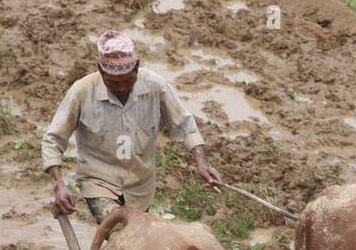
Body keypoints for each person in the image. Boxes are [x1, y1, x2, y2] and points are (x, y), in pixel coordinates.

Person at [42, 30, 223, 223]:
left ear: (137, 67)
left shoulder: (155, 86)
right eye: (113, 83)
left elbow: (185, 125)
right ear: (100, 71)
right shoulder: (82, 91)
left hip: (140, 185)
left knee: (136, 240)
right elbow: (53, 139)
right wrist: (59, 185)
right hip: (99, 182)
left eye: (128, 81)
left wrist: (202, 163)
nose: (121, 87)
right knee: (120, 228)